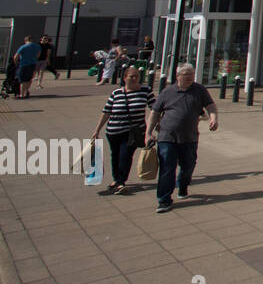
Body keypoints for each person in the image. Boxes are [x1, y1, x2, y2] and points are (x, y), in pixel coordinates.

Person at [145, 63, 216, 213]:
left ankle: (182, 185)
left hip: (189, 137)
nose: (190, 77)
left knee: (188, 165)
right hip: (167, 136)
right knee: (167, 168)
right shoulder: (167, 92)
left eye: (192, 74)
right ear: (178, 76)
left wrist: (213, 118)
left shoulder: (199, 90)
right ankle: (164, 200)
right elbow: (155, 113)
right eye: (186, 74)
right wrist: (148, 132)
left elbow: (210, 105)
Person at [90, 66, 153, 194]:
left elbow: (155, 109)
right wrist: (97, 130)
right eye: (131, 76)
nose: (134, 78)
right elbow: (106, 112)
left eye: (137, 76)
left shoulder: (146, 91)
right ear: (124, 78)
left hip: (133, 132)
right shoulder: (116, 93)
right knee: (115, 155)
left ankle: (121, 181)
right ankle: (116, 179)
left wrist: (155, 127)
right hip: (113, 131)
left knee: (126, 155)